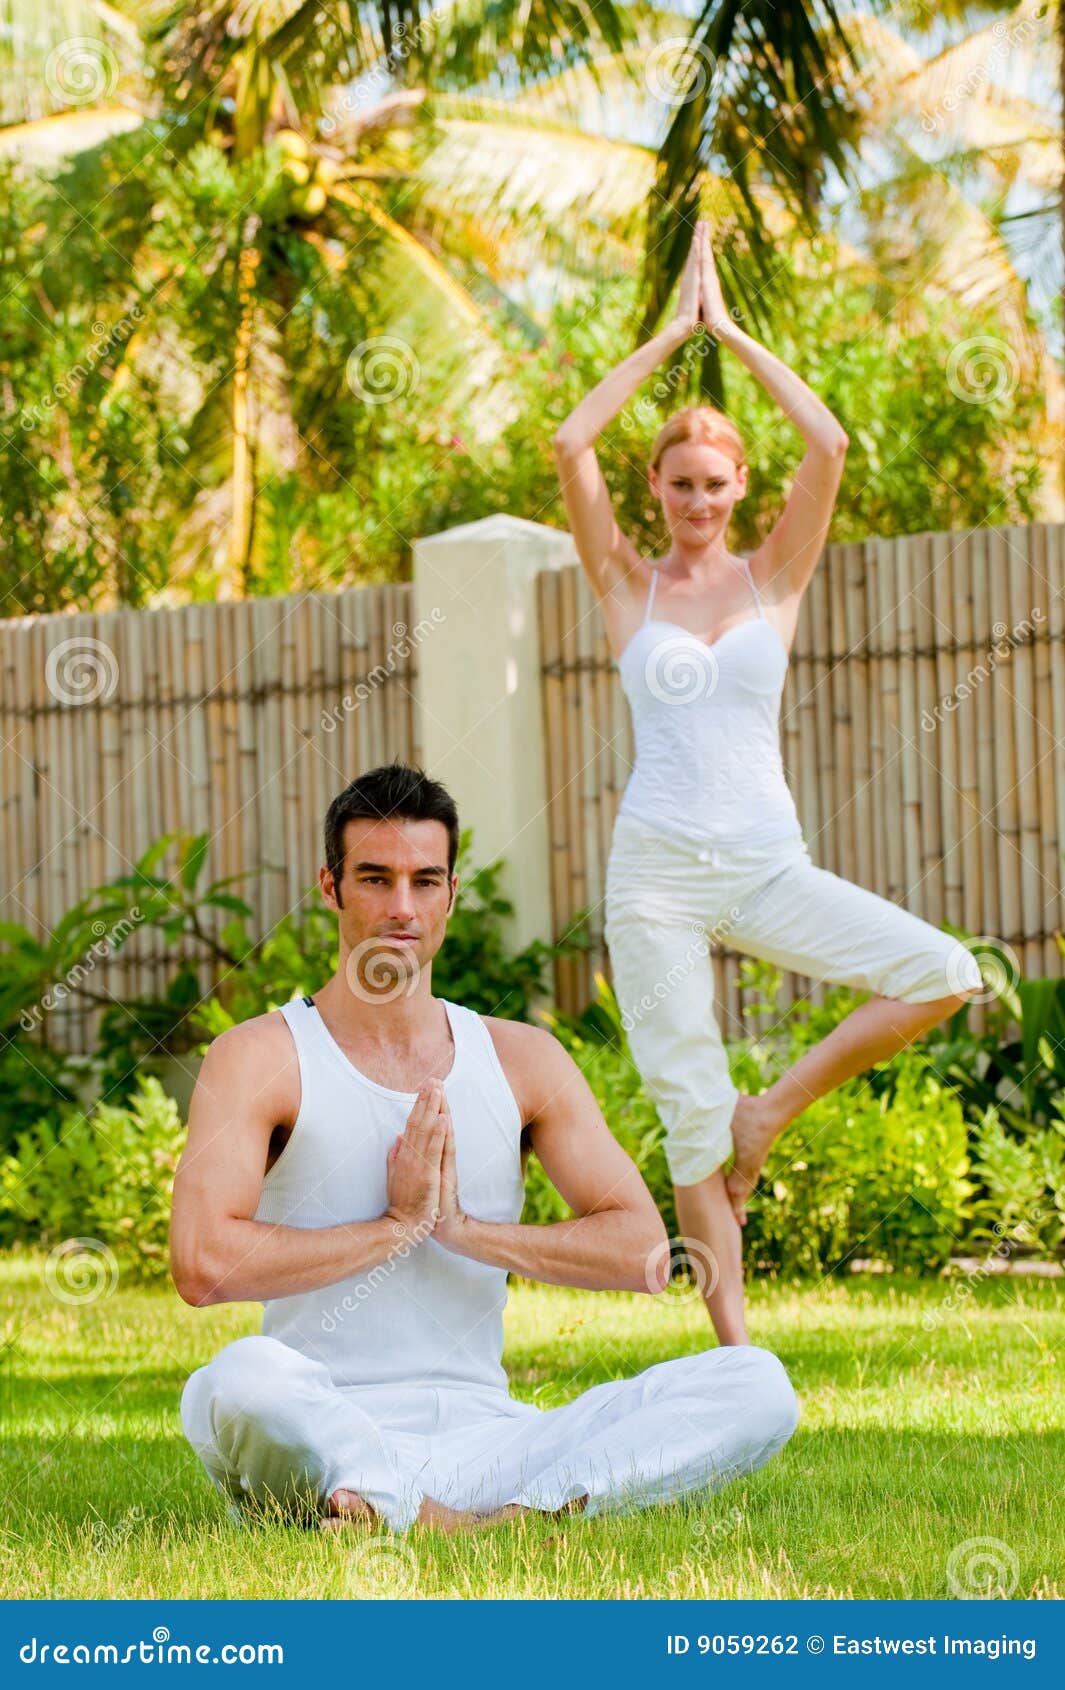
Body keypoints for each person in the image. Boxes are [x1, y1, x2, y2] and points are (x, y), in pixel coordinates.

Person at [171, 762, 800, 1536]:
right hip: (326, 1427)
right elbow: (201, 1263)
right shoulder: (259, 1055)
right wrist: (392, 1229)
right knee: (238, 1380)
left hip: (492, 1436)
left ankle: (482, 1514)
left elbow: (641, 1252)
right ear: (329, 888)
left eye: (424, 881)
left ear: (451, 893)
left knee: (755, 1382)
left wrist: (463, 1231)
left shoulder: (521, 1057)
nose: (401, 907)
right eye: (374, 879)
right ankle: (418, 1506)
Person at [552, 220, 983, 1348]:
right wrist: (666, 337)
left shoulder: (773, 575)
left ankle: (771, 1114)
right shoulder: (625, 585)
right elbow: (566, 440)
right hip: (654, 874)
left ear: (739, 487)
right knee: (687, 1111)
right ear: (655, 485)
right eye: (679, 480)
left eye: (714, 481)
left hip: (763, 858)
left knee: (940, 970)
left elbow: (831, 443)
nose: (697, 497)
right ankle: (738, 1350)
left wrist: (730, 334)